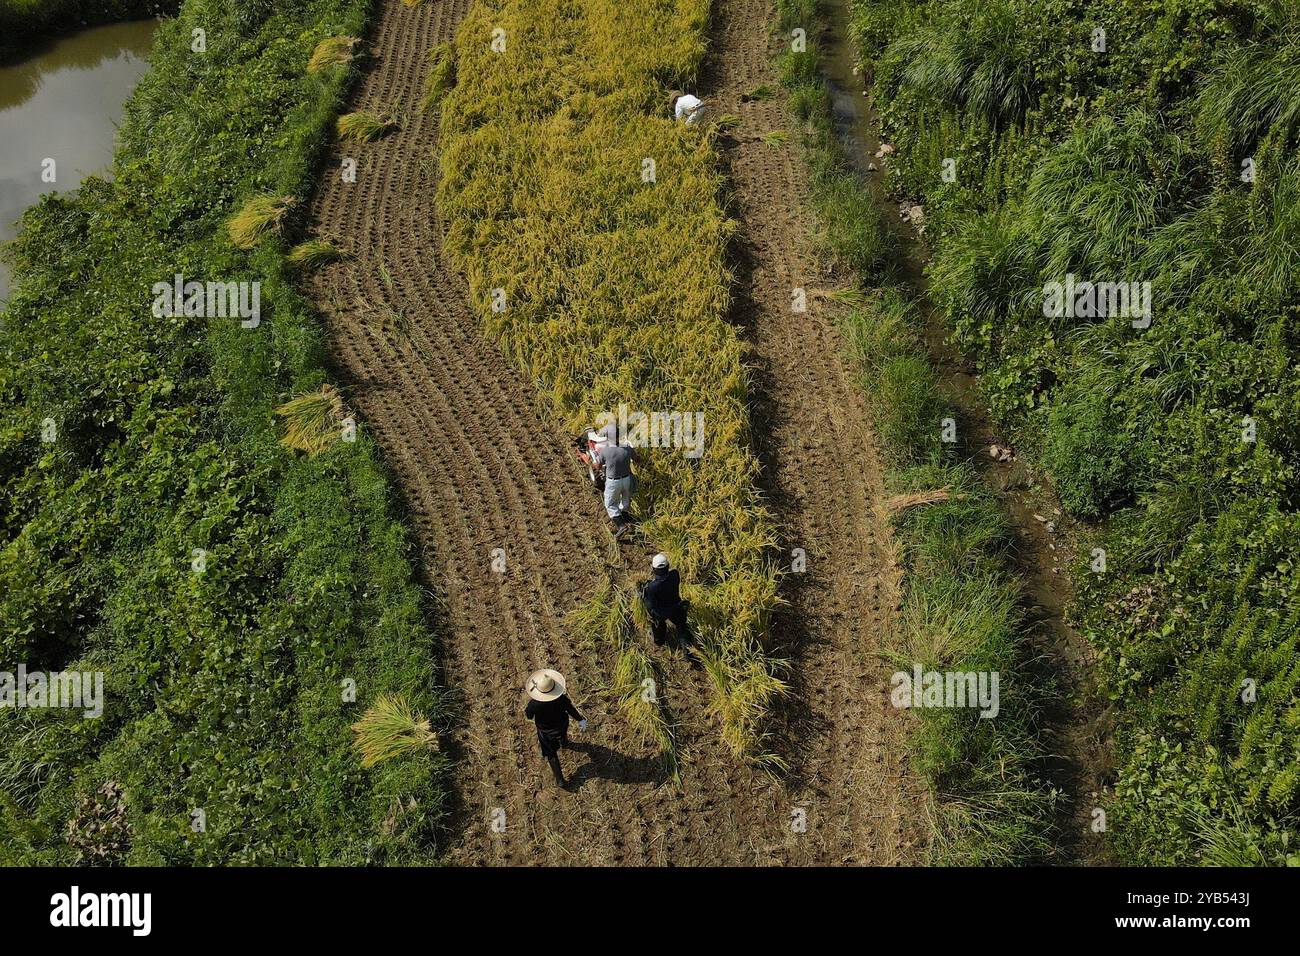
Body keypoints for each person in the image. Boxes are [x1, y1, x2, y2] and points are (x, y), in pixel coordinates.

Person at [524, 669, 587, 789]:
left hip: (546, 731)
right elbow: (570, 709)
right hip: (562, 725)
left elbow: (529, 715)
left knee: (551, 753)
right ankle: (564, 742)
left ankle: (560, 780)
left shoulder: (535, 704)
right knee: (562, 734)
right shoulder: (561, 699)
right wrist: (580, 720)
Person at [642, 553, 691, 648]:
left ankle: (659, 639)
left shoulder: (652, 587)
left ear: (653, 569)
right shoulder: (675, 574)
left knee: (647, 603)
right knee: (682, 626)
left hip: (662, 613)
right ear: (668, 566)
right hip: (676, 606)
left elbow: (653, 604)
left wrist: (644, 593)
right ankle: (688, 650)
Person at [594, 428, 635, 536]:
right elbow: (637, 459)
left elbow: (597, 466)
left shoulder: (605, 451)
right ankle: (626, 517)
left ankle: (621, 526)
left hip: (613, 482)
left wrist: (595, 461)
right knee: (626, 499)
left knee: (610, 504)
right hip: (627, 479)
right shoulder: (627, 448)